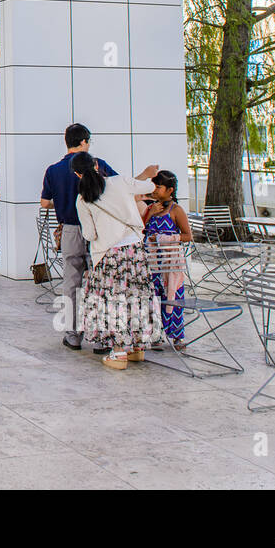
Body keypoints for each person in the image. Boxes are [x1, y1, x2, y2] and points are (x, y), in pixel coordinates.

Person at [73, 152, 164, 370]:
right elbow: (149, 188)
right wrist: (150, 174)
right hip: (134, 251)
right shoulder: (120, 182)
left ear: (77, 174)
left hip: (108, 256)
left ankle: (119, 352)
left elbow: (89, 235)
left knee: (113, 302)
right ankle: (136, 348)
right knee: (138, 297)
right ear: (96, 165)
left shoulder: (83, 199)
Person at [41, 124, 120, 353]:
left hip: (70, 230)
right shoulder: (97, 164)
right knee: (100, 281)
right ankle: (102, 337)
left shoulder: (53, 170)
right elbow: (115, 189)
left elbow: (45, 202)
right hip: (98, 230)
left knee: (71, 282)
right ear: (84, 142)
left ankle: (73, 335)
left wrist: (64, 202)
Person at [141, 170, 193, 350]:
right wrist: (149, 214)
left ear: (170, 190)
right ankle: (155, 334)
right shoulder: (150, 209)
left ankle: (177, 335)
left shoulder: (176, 210)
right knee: (153, 298)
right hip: (152, 262)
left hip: (171, 262)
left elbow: (187, 235)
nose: (154, 190)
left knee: (173, 296)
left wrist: (165, 239)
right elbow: (139, 228)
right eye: (153, 186)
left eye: (159, 187)